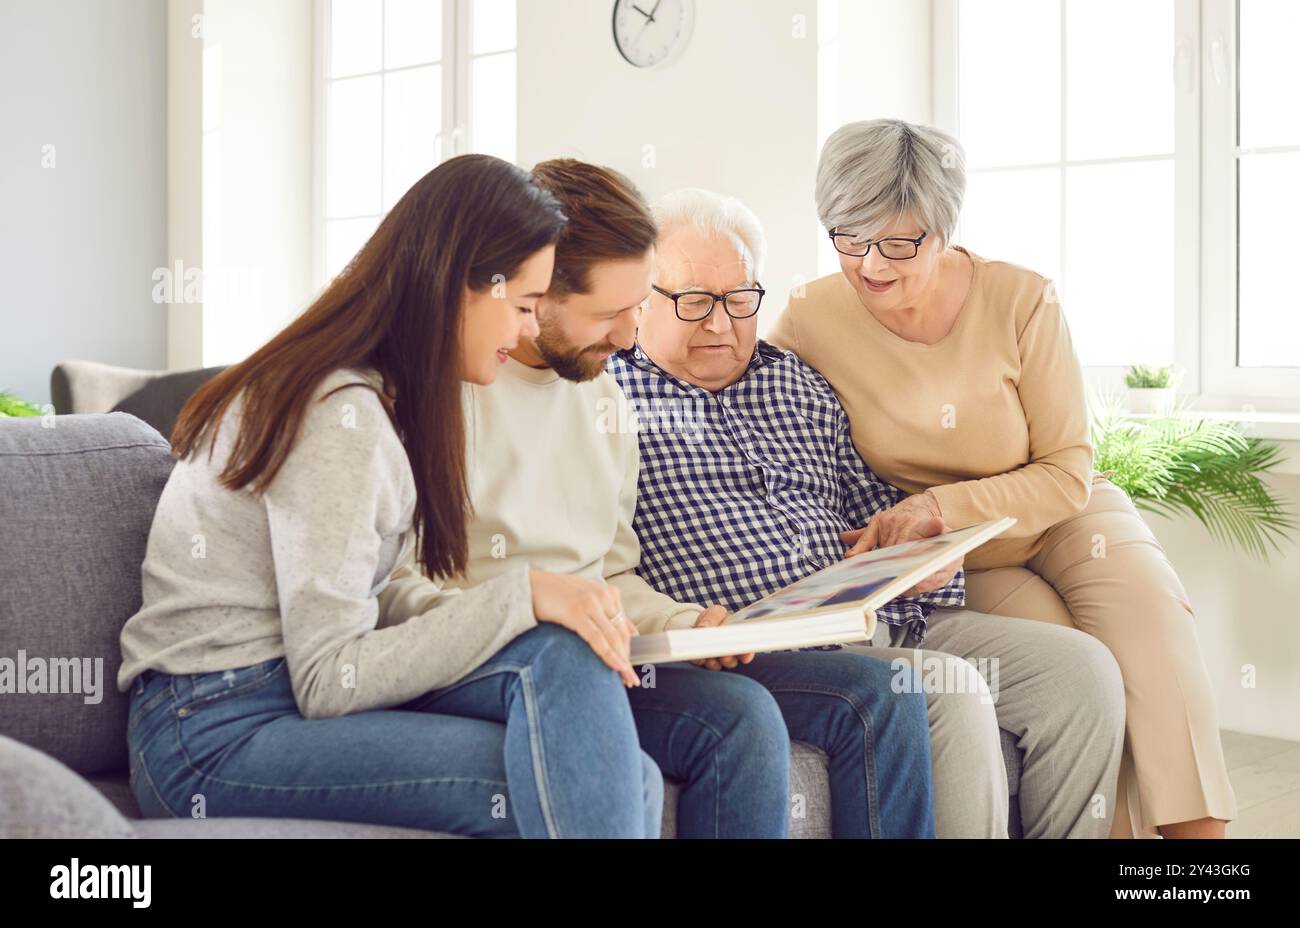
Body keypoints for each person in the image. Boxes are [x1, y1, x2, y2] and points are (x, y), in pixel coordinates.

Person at [382, 158, 935, 837]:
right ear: (536, 290)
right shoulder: (434, 394)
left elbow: (612, 572)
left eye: (638, 306)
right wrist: (533, 605)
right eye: (612, 313)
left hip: (604, 654)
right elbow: (392, 593)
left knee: (813, 705)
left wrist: (684, 622)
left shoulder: (601, 395)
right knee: (712, 713)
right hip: (497, 660)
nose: (626, 338)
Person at [117, 155, 664, 838]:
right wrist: (523, 595)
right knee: (580, 766)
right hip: (211, 729)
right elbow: (328, 678)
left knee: (609, 753)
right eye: (523, 305)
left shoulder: (390, 398)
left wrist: (533, 606)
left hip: (272, 698)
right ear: (458, 287)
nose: (528, 330)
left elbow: (377, 600)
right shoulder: (337, 414)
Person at [611, 186, 1128, 838]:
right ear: (640, 298)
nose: (721, 324)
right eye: (692, 301)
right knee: (947, 692)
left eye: (741, 299)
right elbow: (598, 561)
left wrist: (921, 552)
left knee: (1081, 673)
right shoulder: (607, 401)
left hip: (879, 618)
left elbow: (870, 511)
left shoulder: (797, 381)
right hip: (755, 650)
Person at [770, 118, 1237, 839]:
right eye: (849, 238)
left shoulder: (1022, 300)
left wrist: (941, 501)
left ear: (944, 228)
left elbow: (1067, 468)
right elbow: (743, 395)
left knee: (1156, 640)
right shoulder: (809, 315)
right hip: (955, 553)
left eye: (900, 242)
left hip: (1065, 512)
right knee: (1083, 673)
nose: (871, 265)